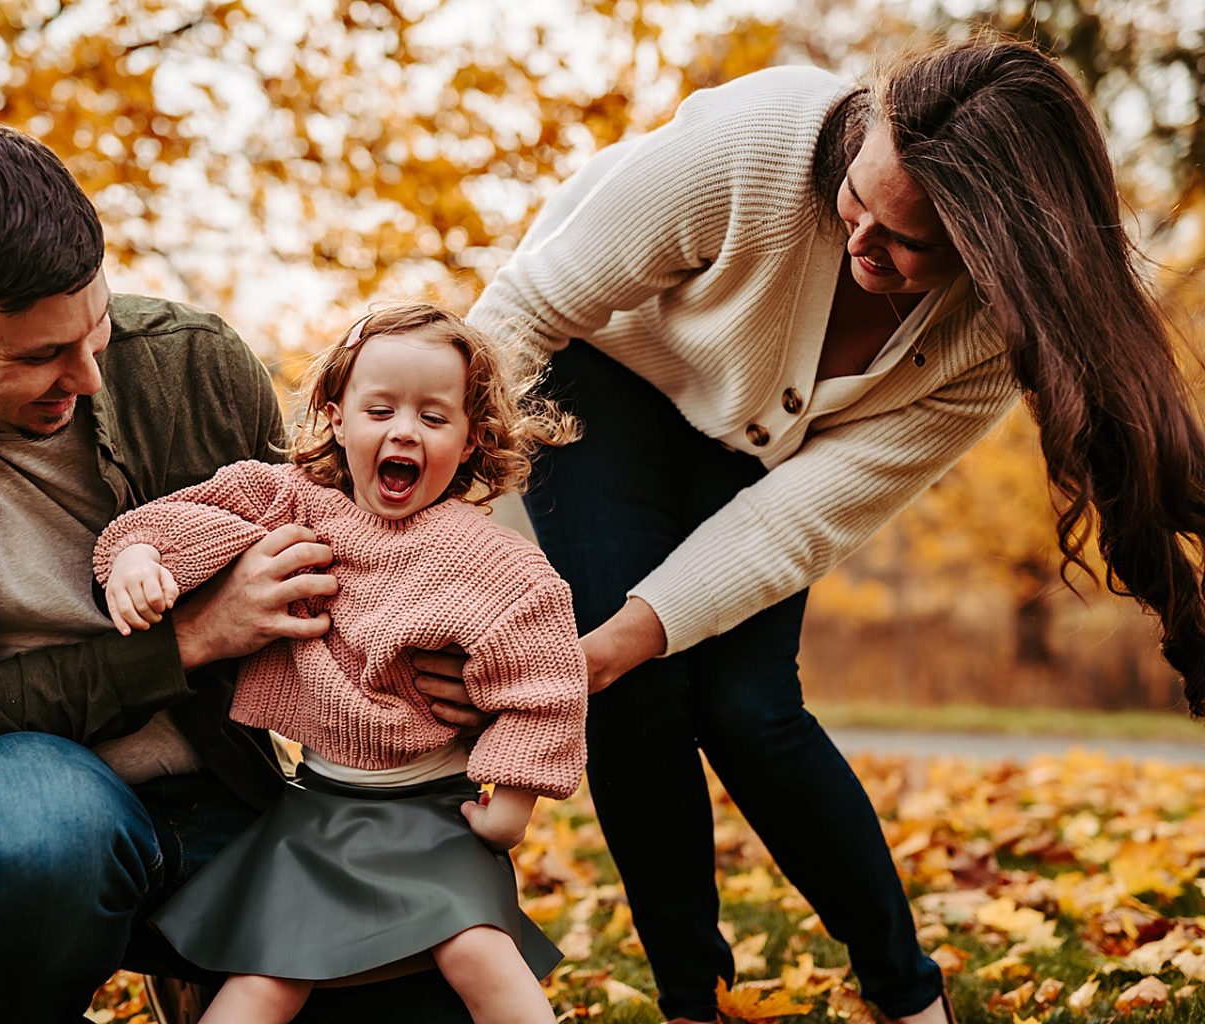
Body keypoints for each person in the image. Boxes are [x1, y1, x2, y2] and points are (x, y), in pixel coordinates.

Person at [468, 34, 1205, 1024]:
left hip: (771, 447)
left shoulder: (991, 338)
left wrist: (619, 642)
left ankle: (909, 996)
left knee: (749, 708)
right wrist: (426, 501)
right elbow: (521, 311)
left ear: (994, 262)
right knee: (634, 695)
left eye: (908, 246)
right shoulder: (755, 144)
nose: (861, 248)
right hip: (604, 363)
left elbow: (800, 517)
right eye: (858, 204)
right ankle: (693, 997)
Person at [0, 121, 482, 1024]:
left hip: (227, 784)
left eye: (95, 327)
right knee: (49, 838)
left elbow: (347, 546)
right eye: (39, 357)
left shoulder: (196, 362)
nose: (90, 376)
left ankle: (195, 962)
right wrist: (192, 638)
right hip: (13, 801)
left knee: (419, 996)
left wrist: (443, 662)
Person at [94, 303, 588, 1024]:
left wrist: (512, 806)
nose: (403, 431)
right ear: (335, 416)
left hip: (433, 810)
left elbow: (545, 680)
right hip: (321, 805)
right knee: (268, 977)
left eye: (433, 416)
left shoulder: (489, 561)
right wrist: (138, 557)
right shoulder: (294, 501)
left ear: (471, 437)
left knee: (478, 949)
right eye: (380, 408)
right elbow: (185, 515)